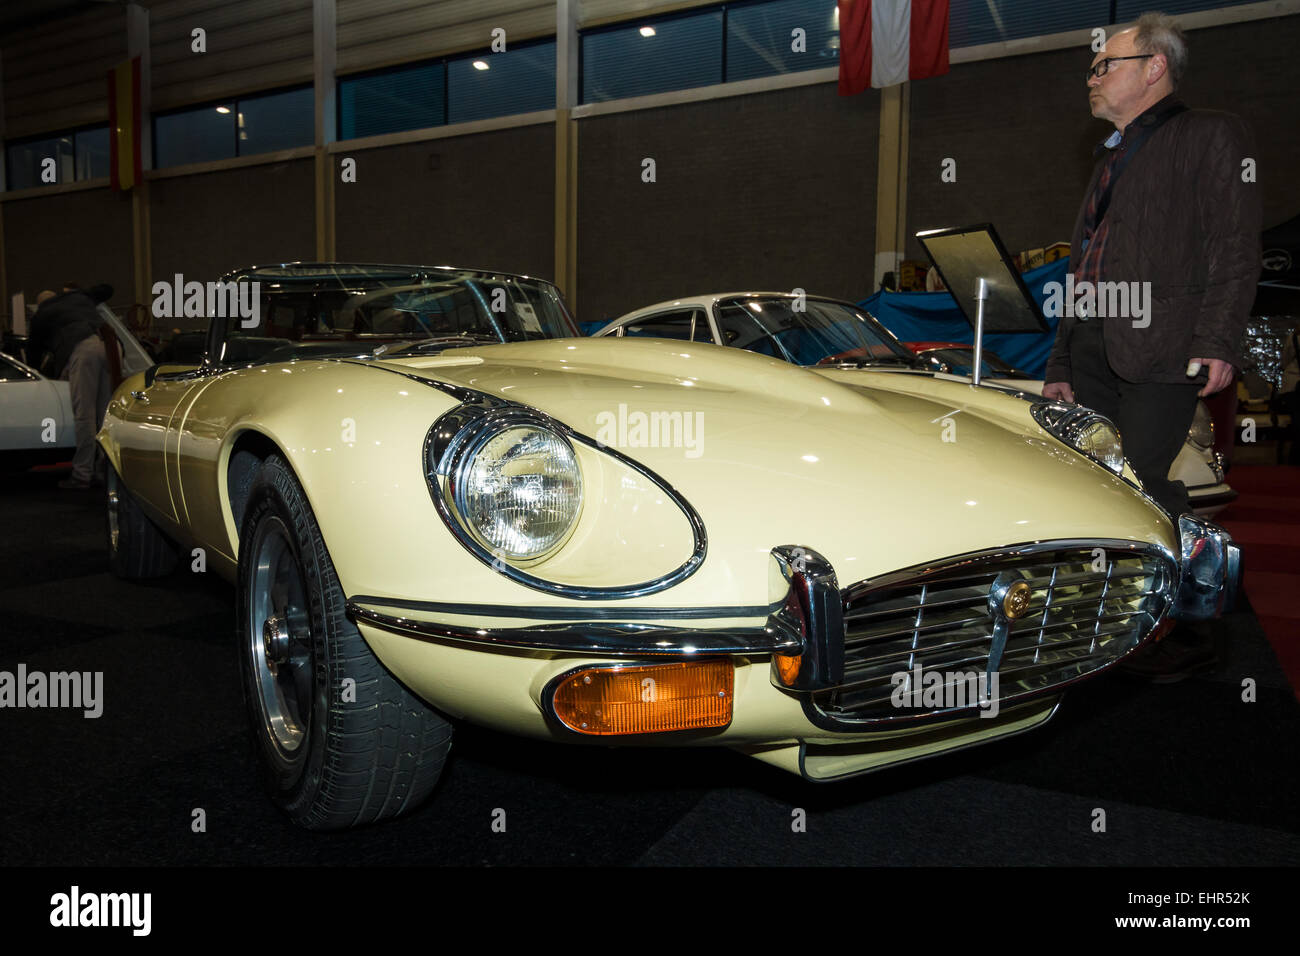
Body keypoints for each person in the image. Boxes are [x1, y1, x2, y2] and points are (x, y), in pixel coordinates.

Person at [1041, 13, 1260, 682]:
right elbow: (1083, 266)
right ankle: (1118, 615)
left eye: (1105, 64)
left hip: (1165, 343)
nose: (1093, 76)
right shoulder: (1113, 154)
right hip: (1094, 345)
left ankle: (1192, 628)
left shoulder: (1211, 135)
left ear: (1155, 67)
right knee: (1103, 483)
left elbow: (1234, 242)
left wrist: (1218, 337)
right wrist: (1060, 361)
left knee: (1149, 483)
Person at [26, 283, 115, 490]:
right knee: (105, 414)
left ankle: (82, 474)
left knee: (85, 414)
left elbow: (33, 351)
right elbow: (106, 289)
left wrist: (35, 371)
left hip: (84, 349)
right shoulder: (77, 298)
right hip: (110, 345)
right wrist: (81, 294)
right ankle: (105, 472)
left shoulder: (42, 315)